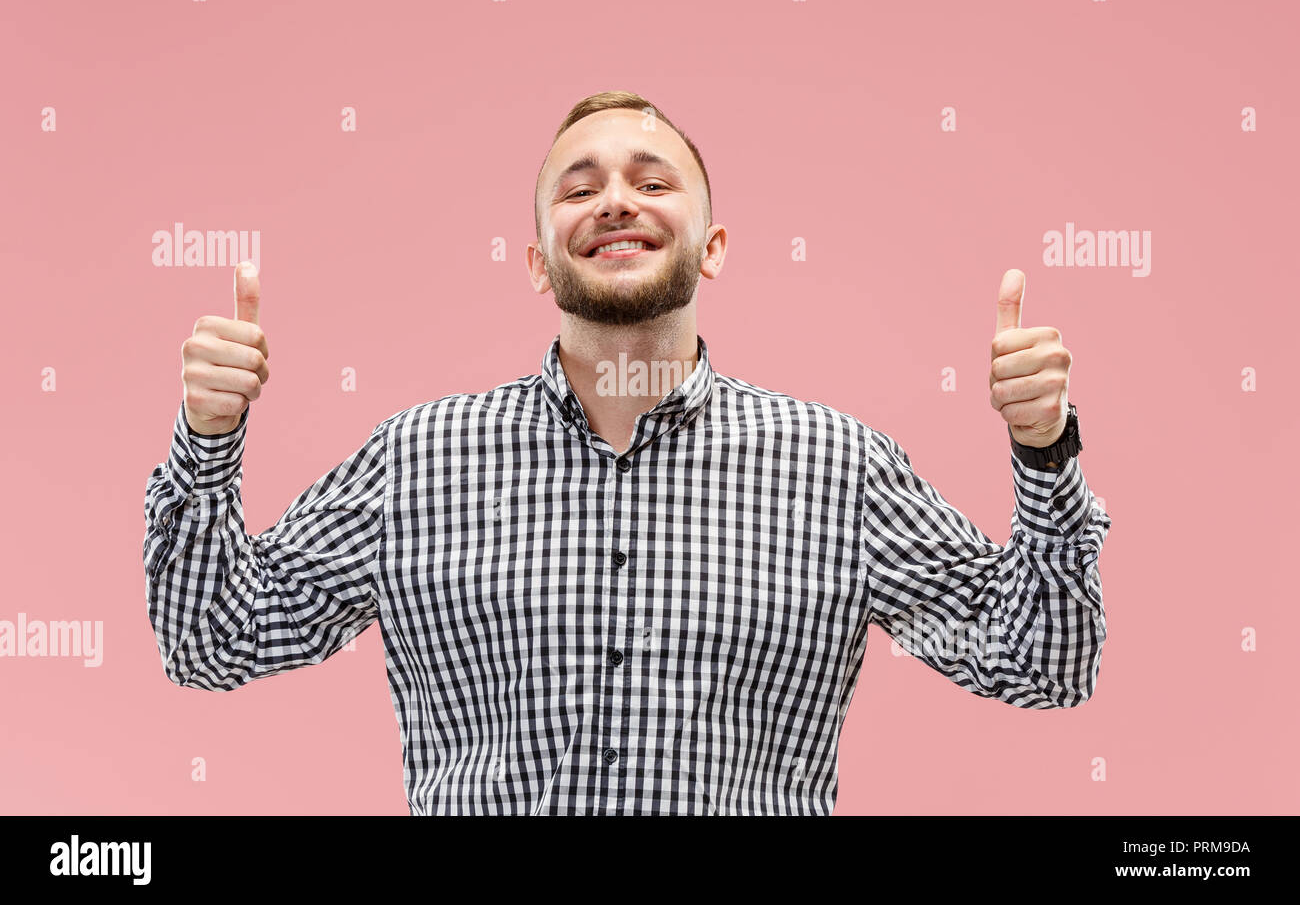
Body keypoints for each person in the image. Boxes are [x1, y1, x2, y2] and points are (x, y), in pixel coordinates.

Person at [143, 90, 1111, 815]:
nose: (615, 201)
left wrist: (1042, 450)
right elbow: (208, 639)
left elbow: (1044, 660)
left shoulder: (837, 467)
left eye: (652, 181)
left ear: (713, 244)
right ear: (538, 260)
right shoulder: (416, 459)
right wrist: (208, 438)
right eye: (580, 187)